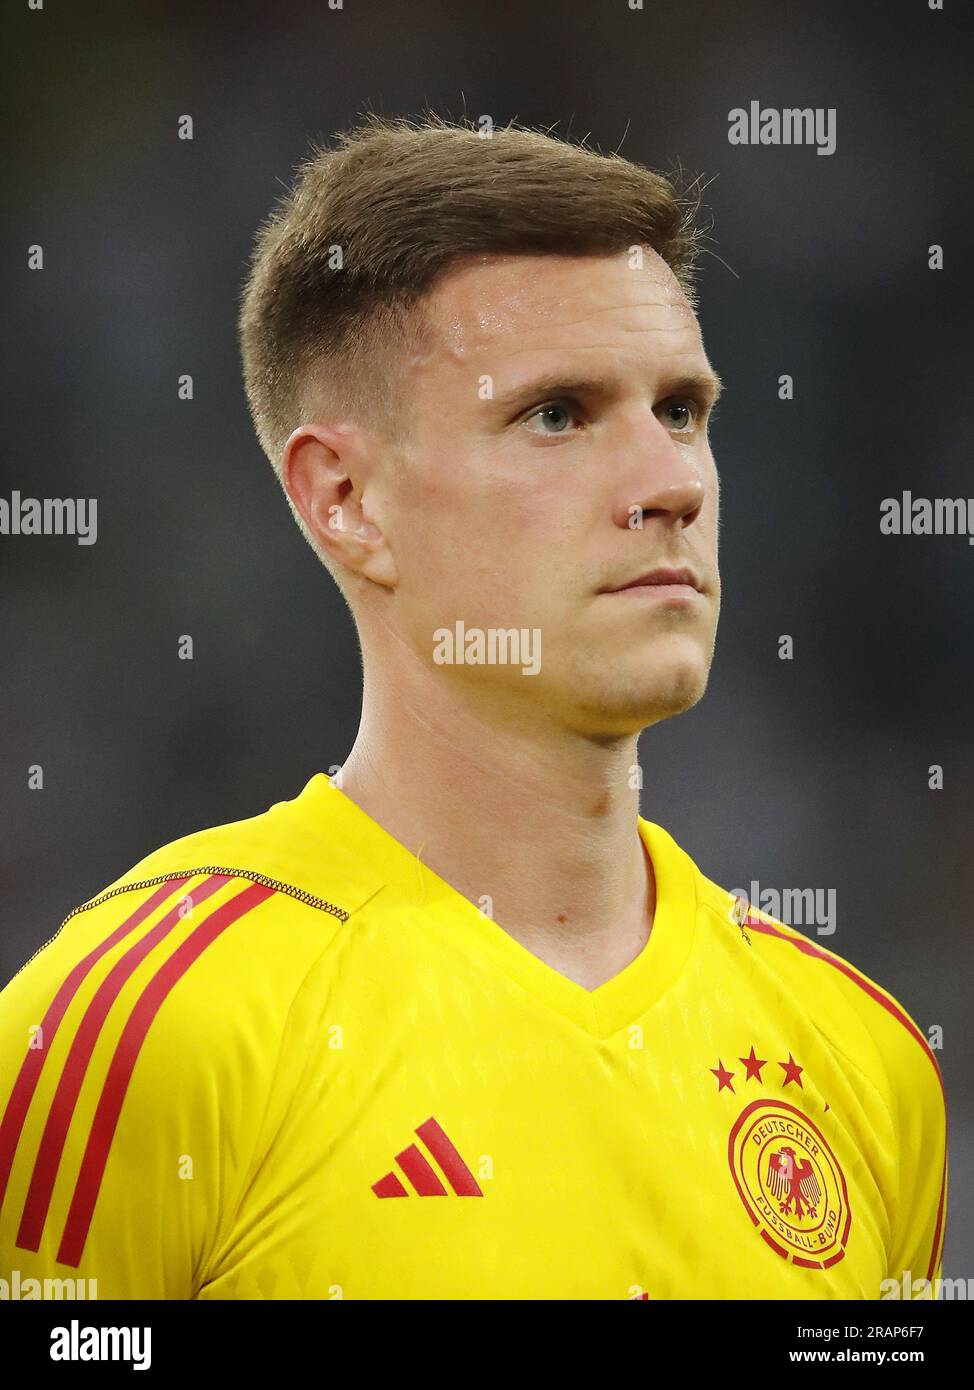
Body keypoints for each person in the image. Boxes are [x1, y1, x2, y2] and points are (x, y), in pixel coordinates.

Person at [0, 114, 946, 1300]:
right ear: (345, 498)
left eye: (682, 410)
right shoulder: (139, 1032)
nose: (669, 482)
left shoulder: (862, 1058)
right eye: (556, 413)